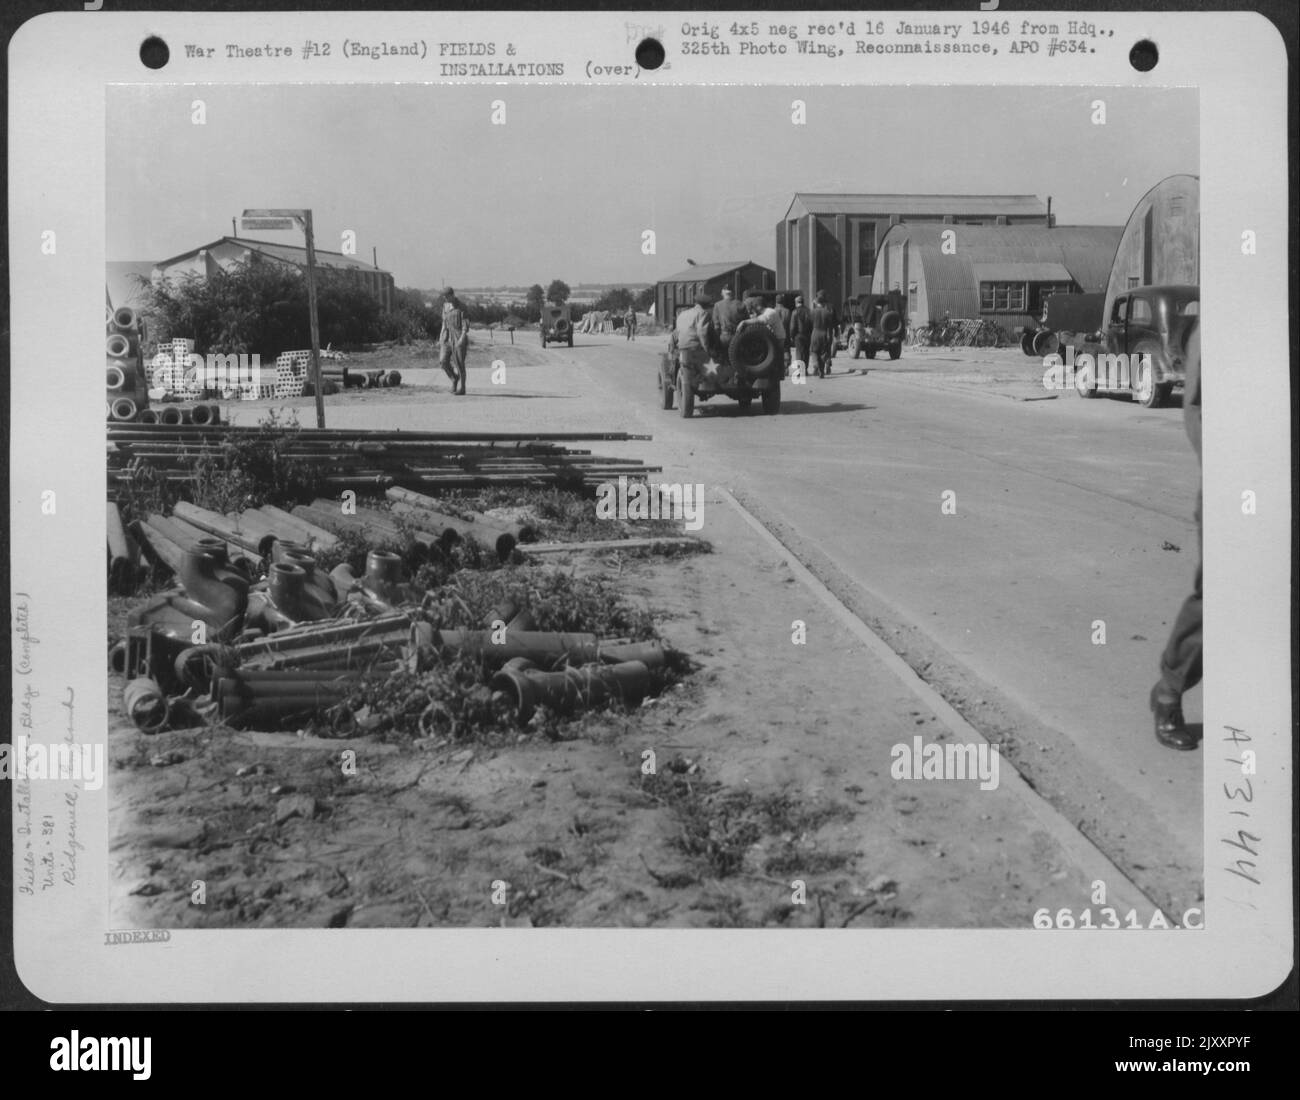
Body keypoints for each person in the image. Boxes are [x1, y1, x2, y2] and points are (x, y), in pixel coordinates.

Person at [1150, 320, 1202, 749]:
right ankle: (1169, 691)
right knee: (1222, 599)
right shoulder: (1223, 321)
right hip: (1243, 483)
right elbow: (1198, 411)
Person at [674, 293, 716, 383]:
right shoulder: (704, 313)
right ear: (706, 305)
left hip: (682, 346)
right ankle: (709, 379)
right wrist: (707, 348)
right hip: (695, 347)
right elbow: (702, 332)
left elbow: (677, 331)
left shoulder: (682, 314)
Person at [438, 287, 469, 395]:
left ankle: (462, 388)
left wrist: (461, 339)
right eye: (444, 297)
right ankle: (454, 378)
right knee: (443, 361)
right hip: (447, 337)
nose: (445, 299)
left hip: (458, 337)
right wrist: (441, 336)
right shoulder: (445, 306)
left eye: (446, 297)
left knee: (459, 364)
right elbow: (444, 322)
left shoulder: (462, 307)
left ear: (452, 295)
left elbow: (465, 326)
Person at [712, 286, 746, 362]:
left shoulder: (717, 305)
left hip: (724, 337)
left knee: (725, 361)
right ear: (732, 293)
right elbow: (746, 321)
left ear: (722, 293)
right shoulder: (740, 304)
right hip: (739, 337)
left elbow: (716, 326)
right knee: (739, 361)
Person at [809, 290, 838, 378]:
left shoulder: (812, 312)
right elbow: (833, 324)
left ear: (817, 301)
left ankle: (816, 365)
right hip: (825, 333)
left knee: (814, 351)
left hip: (815, 332)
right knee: (824, 351)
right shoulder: (828, 312)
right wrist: (833, 334)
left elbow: (809, 324)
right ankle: (822, 370)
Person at [788, 293, 813, 377]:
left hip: (798, 335)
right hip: (807, 335)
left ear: (796, 302)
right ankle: (805, 370)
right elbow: (811, 324)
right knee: (806, 353)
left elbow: (792, 326)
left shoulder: (795, 312)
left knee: (799, 352)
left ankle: (799, 371)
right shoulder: (808, 311)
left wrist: (791, 336)